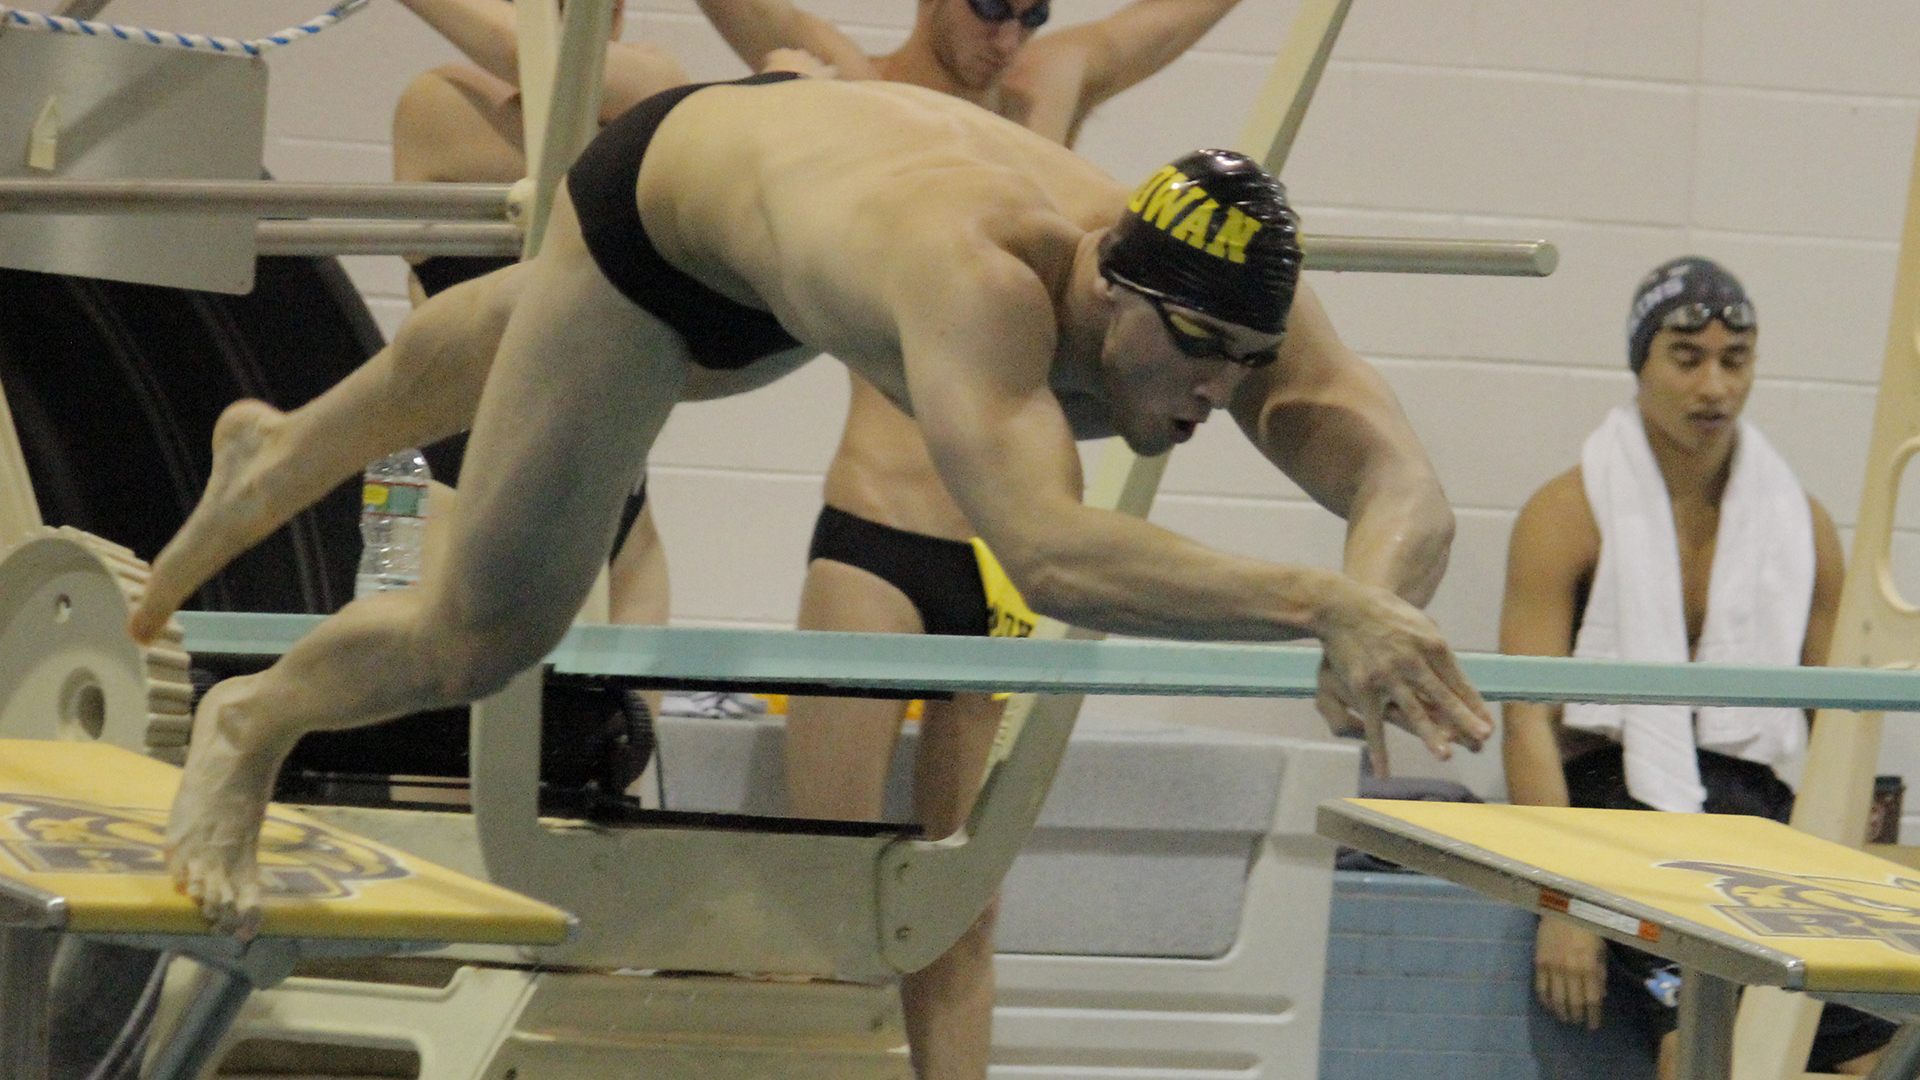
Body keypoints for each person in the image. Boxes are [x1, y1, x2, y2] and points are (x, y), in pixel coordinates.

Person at [145, 76, 1492, 949]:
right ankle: (248, 722)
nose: (1220, 390)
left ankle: (283, 444)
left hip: (783, 208)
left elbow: (1404, 485)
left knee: (536, 323)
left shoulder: (1230, 298)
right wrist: (1320, 603)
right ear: (1111, 290)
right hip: (665, 229)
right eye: (1197, 352)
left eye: (1245, 366)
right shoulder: (984, 286)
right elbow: (1053, 555)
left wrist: (1369, 607)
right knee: (481, 635)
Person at [683, 1, 1247, 1073]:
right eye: (993, 8)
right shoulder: (868, 91)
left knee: (960, 918)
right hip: (876, 532)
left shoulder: (1045, 93)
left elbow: (1149, 31)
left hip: (1000, 561)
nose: (1010, 38)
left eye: (1034, 12)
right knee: (828, 896)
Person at [1499, 257, 1891, 1077]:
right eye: (1686, 358)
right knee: (1701, 1054)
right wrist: (1561, 902)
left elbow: (1841, 726)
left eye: (1734, 360)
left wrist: (1852, 879)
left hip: (1753, 815)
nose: (1713, 386)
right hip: (1615, 807)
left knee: (1874, 1054)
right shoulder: (1566, 515)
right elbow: (1527, 716)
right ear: (1640, 362)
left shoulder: (1800, 525)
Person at [390, 0, 686, 635]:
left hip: (618, 510)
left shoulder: (656, 86)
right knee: (431, 727)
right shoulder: (439, 104)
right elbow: (543, 69)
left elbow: (555, 71)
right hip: (454, 486)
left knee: (617, 732)